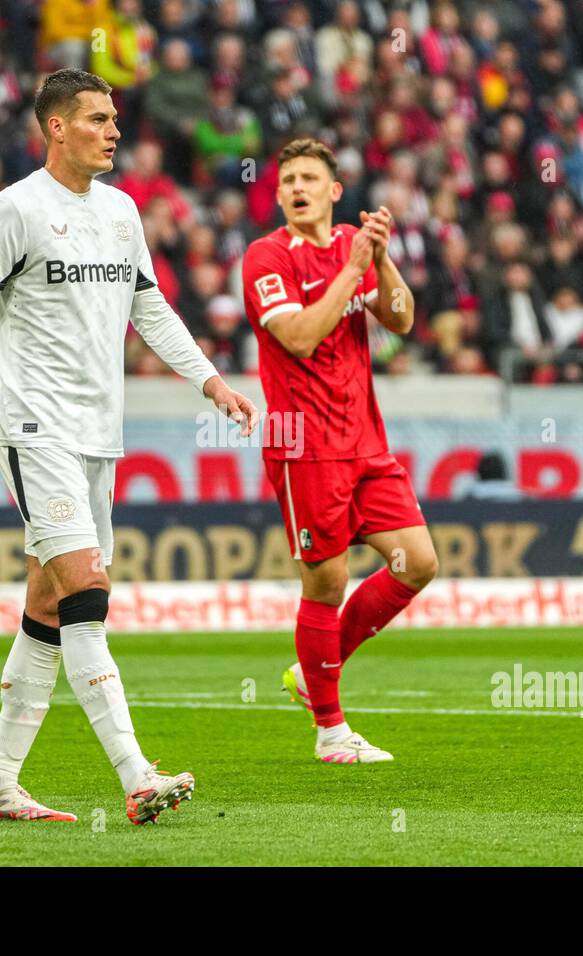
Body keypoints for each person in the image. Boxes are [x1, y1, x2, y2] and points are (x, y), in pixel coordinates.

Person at [0, 70, 258, 825]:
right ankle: (136, 774)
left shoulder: (122, 212)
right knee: (88, 593)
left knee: (46, 604)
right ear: (56, 128)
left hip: (101, 434)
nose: (114, 132)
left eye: (114, 120)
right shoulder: (15, 211)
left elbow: (152, 310)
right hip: (35, 430)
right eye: (98, 120)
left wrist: (212, 383)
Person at [241, 138, 439, 764]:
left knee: (418, 562)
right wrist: (354, 269)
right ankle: (331, 731)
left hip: (366, 441)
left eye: (309, 178)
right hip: (304, 444)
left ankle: (311, 672)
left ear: (334, 190)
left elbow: (402, 320)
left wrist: (380, 261)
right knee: (326, 582)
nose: (296, 186)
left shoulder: (355, 244)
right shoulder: (265, 257)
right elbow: (298, 337)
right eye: (287, 179)